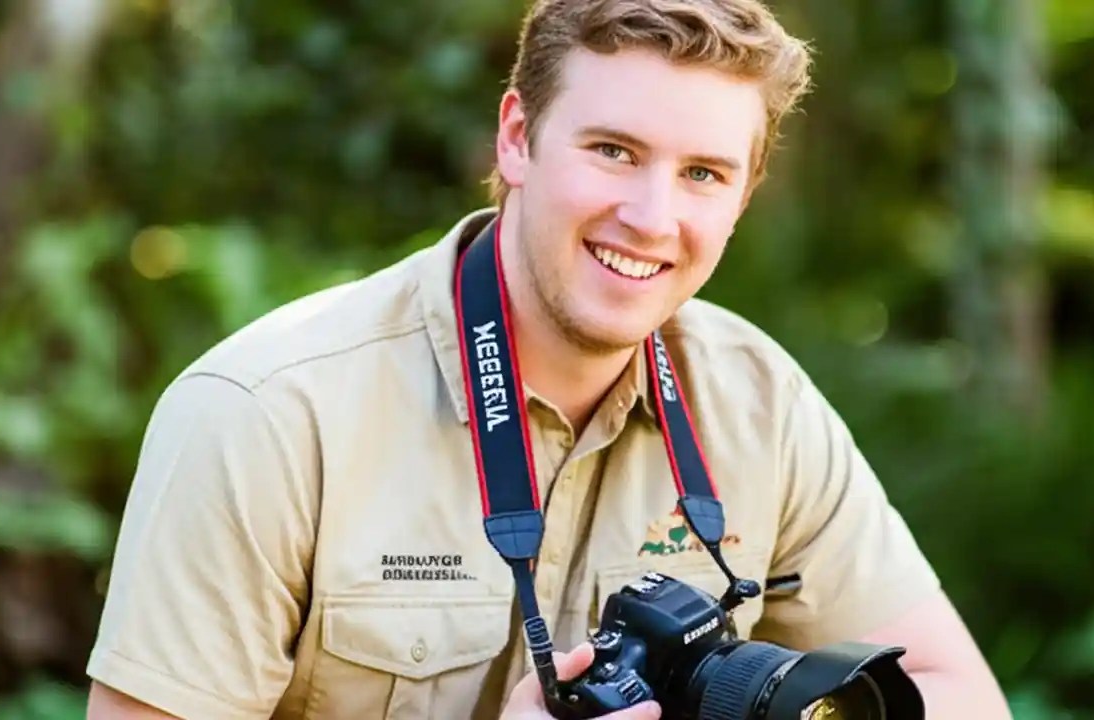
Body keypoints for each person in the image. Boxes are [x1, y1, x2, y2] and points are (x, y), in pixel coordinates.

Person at [84, 0, 1012, 718]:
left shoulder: (758, 402)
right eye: (614, 151)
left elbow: (962, 697)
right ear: (517, 137)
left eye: (702, 173)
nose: (652, 219)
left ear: (746, 192)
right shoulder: (269, 413)